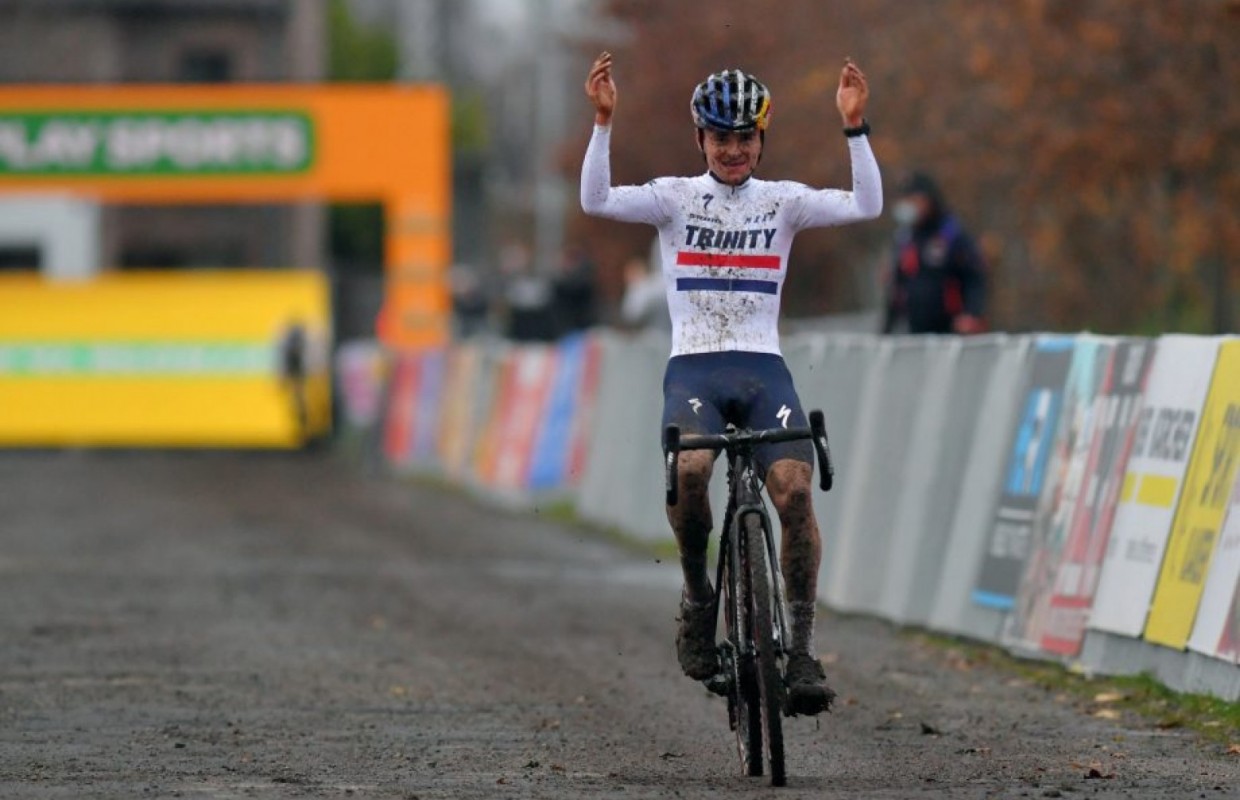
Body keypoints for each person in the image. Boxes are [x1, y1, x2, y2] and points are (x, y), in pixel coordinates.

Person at [581, 51, 882, 714]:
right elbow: (595, 199)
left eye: (745, 138)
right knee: (689, 473)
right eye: (722, 138)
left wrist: (853, 128)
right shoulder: (673, 198)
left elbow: (867, 203)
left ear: (761, 140)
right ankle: (698, 598)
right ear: (701, 139)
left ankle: (800, 649)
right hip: (695, 366)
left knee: (796, 494)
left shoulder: (784, 202)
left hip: (763, 368)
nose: (734, 150)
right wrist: (604, 122)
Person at [881, 171, 987, 334]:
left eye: (914, 200)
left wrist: (972, 313)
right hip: (915, 330)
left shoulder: (951, 233)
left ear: (929, 200)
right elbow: (897, 287)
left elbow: (974, 277)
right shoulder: (905, 238)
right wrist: (886, 330)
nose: (910, 206)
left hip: (951, 330)